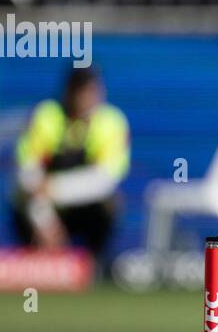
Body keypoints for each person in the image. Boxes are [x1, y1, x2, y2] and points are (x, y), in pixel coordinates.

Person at [12, 68, 130, 258]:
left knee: (111, 204)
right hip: (43, 210)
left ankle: (95, 264)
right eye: (83, 91)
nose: (89, 98)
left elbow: (105, 180)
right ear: (69, 91)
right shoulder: (46, 115)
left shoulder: (111, 122)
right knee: (22, 196)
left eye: (93, 90)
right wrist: (46, 222)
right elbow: (27, 172)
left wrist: (54, 189)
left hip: (84, 210)